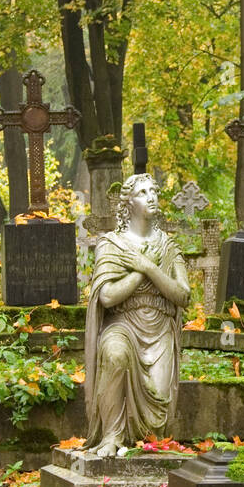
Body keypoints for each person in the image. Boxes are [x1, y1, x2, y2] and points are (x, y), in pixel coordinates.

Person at [83, 173, 190, 457]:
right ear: (128, 203)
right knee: (115, 353)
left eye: (154, 191)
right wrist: (140, 270)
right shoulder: (111, 244)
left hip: (160, 330)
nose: (151, 196)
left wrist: (150, 267)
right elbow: (106, 296)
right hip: (123, 325)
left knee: (158, 411)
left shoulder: (168, 245)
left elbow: (183, 295)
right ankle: (112, 436)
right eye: (143, 192)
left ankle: (146, 443)